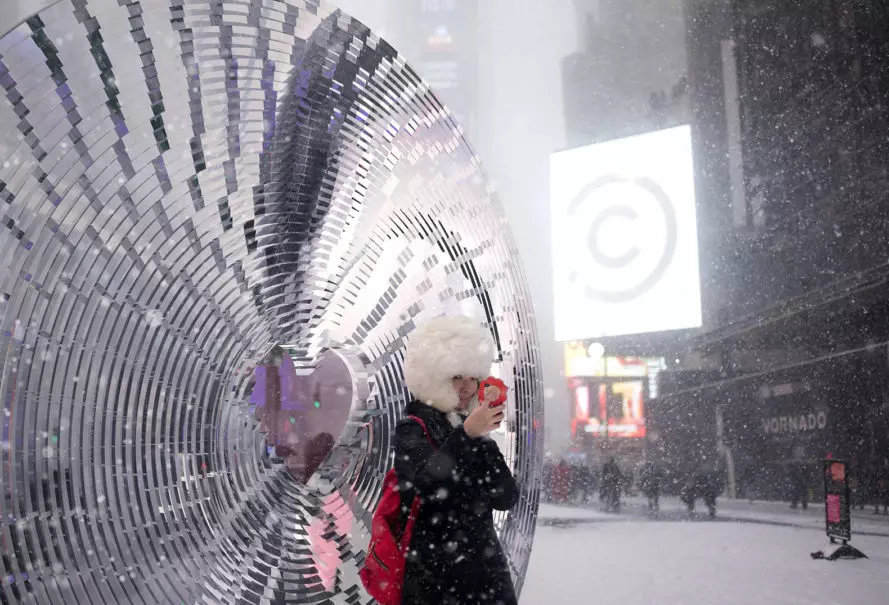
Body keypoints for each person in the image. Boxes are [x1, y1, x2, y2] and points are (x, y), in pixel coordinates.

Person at [395, 315, 519, 605]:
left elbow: (505, 496)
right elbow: (425, 487)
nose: (467, 387)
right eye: (456, 377)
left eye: (472, 377)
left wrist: (480, 439)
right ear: (434, 376)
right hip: (435, 581)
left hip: (486, 579)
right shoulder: (413, 427)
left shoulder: (471, 426)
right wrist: (466, 435)